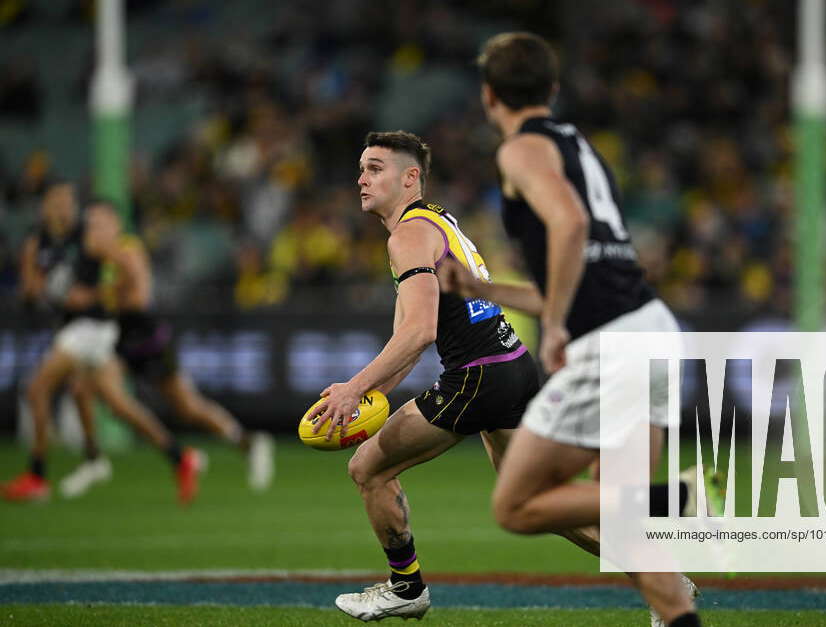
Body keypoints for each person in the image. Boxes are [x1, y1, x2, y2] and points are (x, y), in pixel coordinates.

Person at [445, 32, 701, 626]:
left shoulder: (521, 150)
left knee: (515, 504)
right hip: (652, 329)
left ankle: (672, 500)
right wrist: (485, 290)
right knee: (620, 522)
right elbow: (581, 264)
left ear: (488, 97)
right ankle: (677, 613)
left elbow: (569, 223)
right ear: (552, 90)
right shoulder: (575, 144)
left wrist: (555, 326)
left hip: (611, 343)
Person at [312, 131, 539, 621]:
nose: (361, 179)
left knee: (367, 468)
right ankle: (660, 575)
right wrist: (369, 392)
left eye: (375, 168)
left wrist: (353, 389)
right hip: (512, 365)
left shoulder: (408, 236)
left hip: (477, 377)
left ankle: (405, 587)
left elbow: (419, 331)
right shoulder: (436, 222)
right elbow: (408, 339)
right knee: (534, 502)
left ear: (410, 177)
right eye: (361, 168)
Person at [60, 199, 274, 497]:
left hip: (145, 336)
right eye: (91, 225)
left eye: (100, 224)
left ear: (115, 225)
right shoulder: (99, 261)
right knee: (85, 389)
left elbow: (137, 299)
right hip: (116, 337)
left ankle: (247, 442)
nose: (93, 231)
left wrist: (100, 289)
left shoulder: (127, 249)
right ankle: (96, 458)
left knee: (187, 407)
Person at [2, 196, 201, 505]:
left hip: (91, 329)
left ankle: (38, 475)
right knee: (114, 404)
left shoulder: (99, 242)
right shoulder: (50, 243)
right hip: (83, 329)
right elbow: (36, 290)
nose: (91, 226)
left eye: (67, 203)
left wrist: (94, 295)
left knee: (37, 389)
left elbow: (129, 273)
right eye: (90, 221)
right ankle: (178, 457)